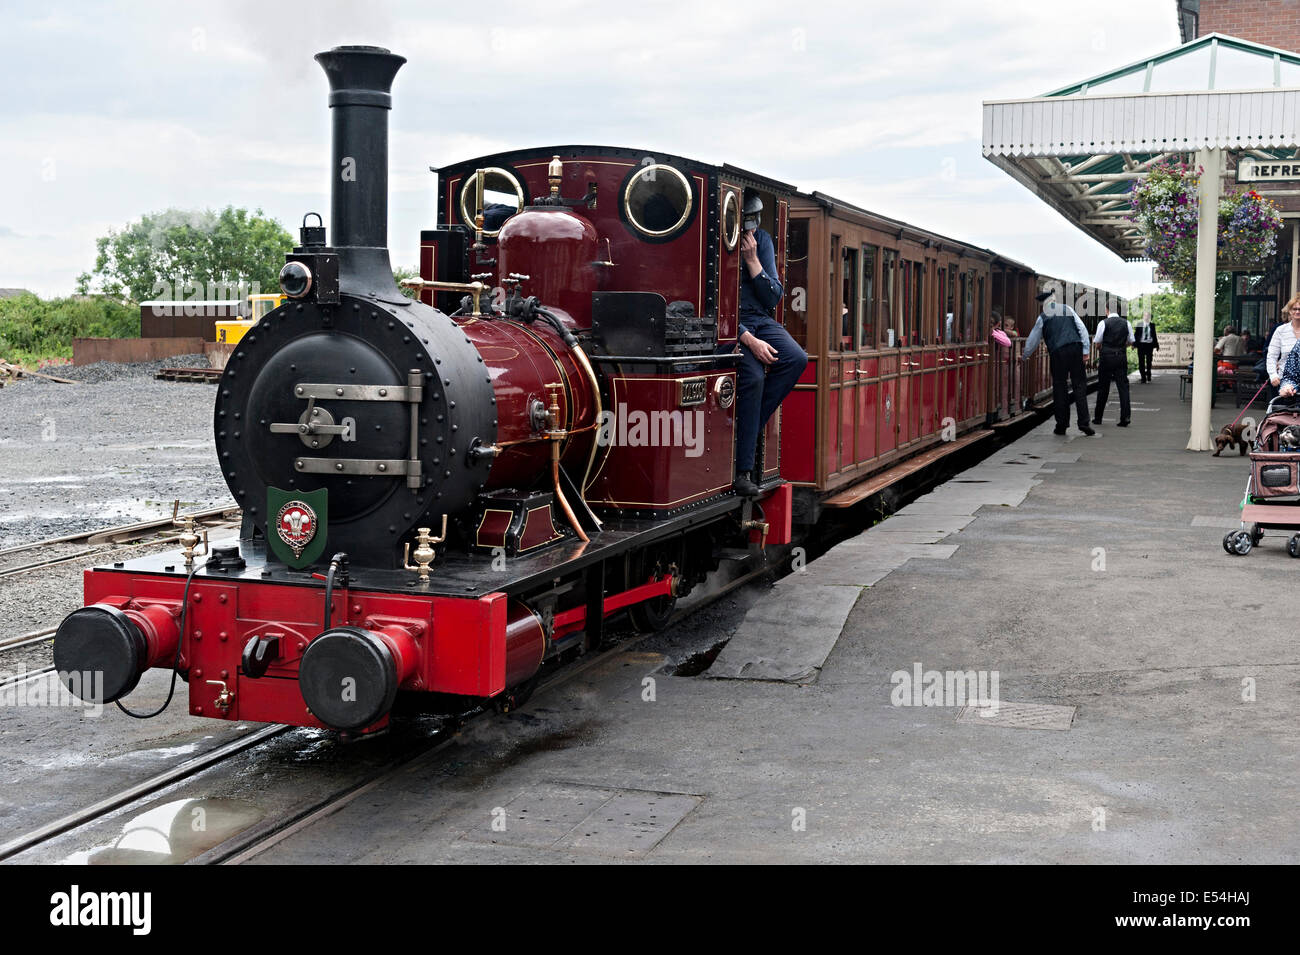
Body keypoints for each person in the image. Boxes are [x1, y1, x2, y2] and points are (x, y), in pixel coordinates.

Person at [731, 192, 807, 496]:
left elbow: (774, 295)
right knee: (752, 376)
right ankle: (743, 470)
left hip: (758, 319)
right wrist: (748, 339)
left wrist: (752, 261)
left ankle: (746, 427)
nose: (751, 230)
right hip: (729, 325)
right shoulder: (716, 238)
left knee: (795, 358)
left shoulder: (760, 240)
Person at [1022, 289, 1094, 436]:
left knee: (1060, 387)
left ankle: (1061, 425)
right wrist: (1085, 351)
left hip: (1057, 353)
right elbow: (1082, 330)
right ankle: (1084, 423)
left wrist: (1024, 356)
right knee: (1079, 386)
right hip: (1075, 348)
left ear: (1044, 304)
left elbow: (1032, 340)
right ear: (1054, 300)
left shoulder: (1042, 317)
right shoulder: (1068, 309)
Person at [1092, 308, 1134, 427]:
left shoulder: (1103, 323)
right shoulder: (1127, 323)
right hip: (1121, 357)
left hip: (1106, 357)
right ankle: (1125, 417)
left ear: (1107, 310)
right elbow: (1131, 341)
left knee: (1103, 387)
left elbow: (1097, 343)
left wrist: (1104, 349)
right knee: (1123, 388)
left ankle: (1098, 418)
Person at [1266, 295, 1300, 403]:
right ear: (1290, 311)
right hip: (1284, 383)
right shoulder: (1281, 330)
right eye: (1295, 309)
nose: (1298, 311)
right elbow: (1272, 355)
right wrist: (1273, 375)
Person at [1132, 311, 1159, 382]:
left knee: (1149, 360)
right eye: (1145, 316)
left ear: (1149, 317)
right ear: (1143, 317)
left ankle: (1149, 373)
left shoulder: (1152, 325)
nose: (1146, 317)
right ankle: (1143, 377)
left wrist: (1157, 345)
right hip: (1141, 344)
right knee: (1141, 361)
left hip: (1149, 344)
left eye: (1148, 316)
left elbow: (1154, 335)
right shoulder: (1139, 324)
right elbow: (1136, 335)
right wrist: (1134, 344)